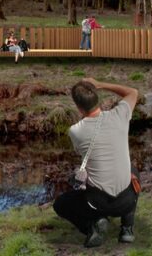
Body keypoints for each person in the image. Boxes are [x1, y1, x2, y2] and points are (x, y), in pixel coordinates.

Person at [53, 77, 140, 247]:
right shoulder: (120, 115)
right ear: (97, 97)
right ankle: (127, 229)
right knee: (134, 172)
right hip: (126, 200)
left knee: (61, 204)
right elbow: (133, 92)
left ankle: (93, 224)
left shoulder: (75, 131)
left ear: (78, 107)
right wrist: (101, 84)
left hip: (97, 203)